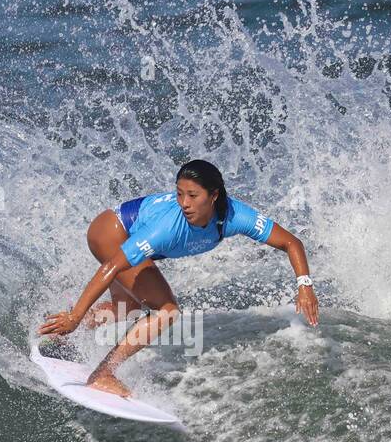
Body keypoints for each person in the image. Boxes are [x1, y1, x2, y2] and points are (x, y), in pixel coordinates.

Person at [38, 159, 319, 397]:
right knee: (167, 310)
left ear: (215, 196)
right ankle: (103, 373)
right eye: (179, 193)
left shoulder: (235, 216)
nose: (184, 203)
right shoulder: (167, 227)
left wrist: (304, 285)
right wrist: (76, 314)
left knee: (129, 308)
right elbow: (111, 267)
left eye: (193, 195)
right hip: (112, 233)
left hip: (115, 230)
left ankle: (55, 334)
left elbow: (291, 243)